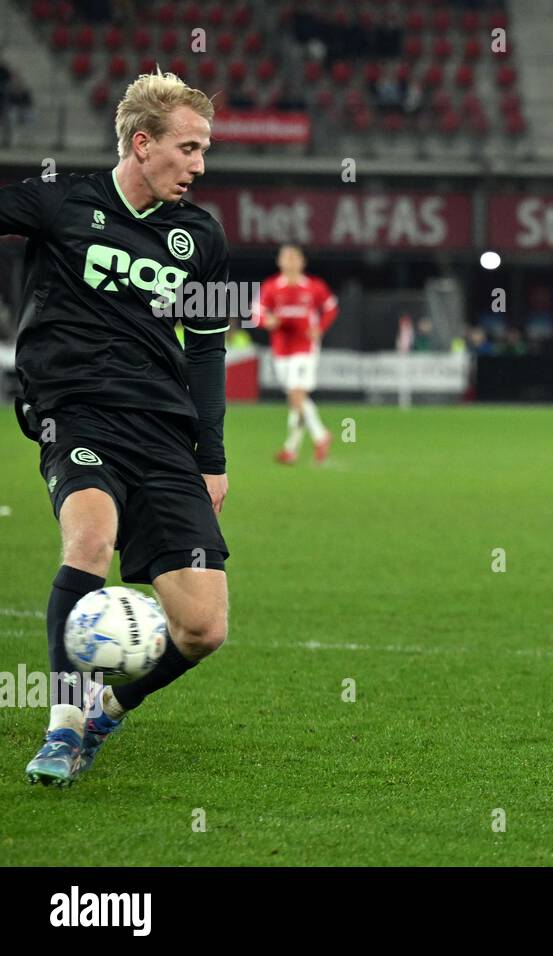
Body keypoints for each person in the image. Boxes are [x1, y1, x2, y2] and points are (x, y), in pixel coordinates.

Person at [3, 72, 231, 786]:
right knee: (91, 537)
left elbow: (208, 344)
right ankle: (63, 727)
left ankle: (105, 710)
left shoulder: (204, 235)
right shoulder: (60, 202)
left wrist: (213, 456)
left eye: (203, 150)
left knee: (202, 629)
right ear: (142, 143)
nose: (199, 165)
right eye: (188, 148)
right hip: (75, 410)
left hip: (165, 432)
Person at [252, 244, 338, 464]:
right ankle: (291, 449)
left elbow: (330, 308)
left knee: (296, 394)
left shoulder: (313, 286)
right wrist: (266, 321)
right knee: (295, 399)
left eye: (294, 258)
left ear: (302, 262)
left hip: (305, 347)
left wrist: (320, 328)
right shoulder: (272, 287)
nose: (290, 262)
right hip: (281, 348)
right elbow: (256, 312)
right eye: (286, 258)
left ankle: (320, 435)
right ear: (280, 262)